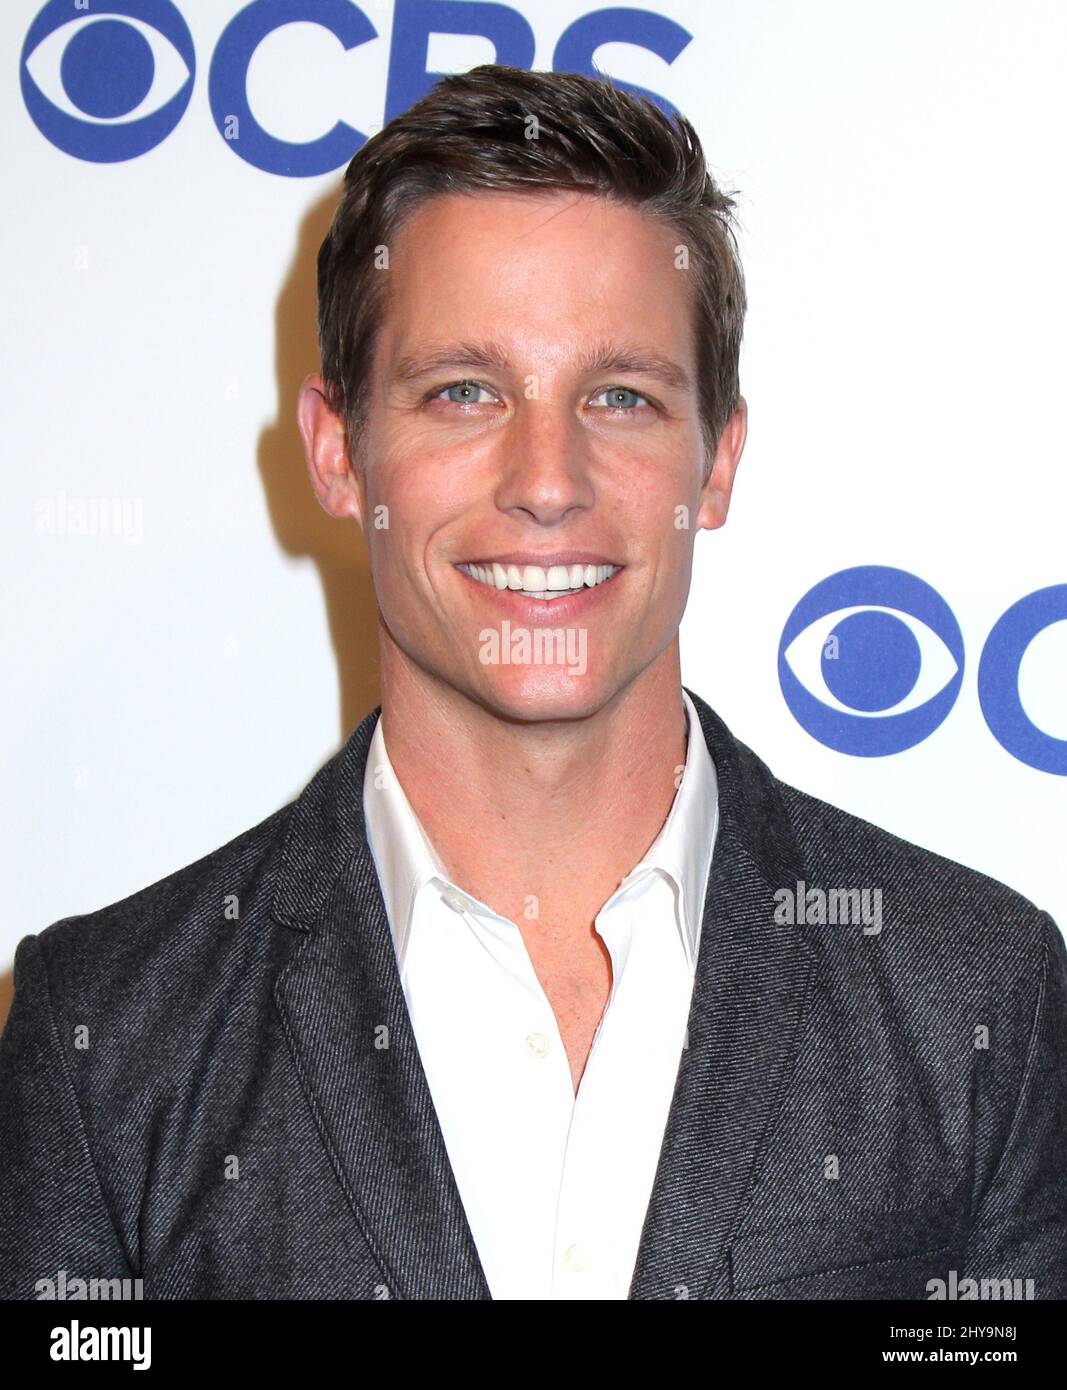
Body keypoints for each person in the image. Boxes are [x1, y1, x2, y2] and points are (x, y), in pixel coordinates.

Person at [2, 65, 1064, 1302]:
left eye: (619, 395)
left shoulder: (975, 996)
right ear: (337, 451)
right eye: (464, 391)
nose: (546, 478)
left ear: (715, 460)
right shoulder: (111, 1037)